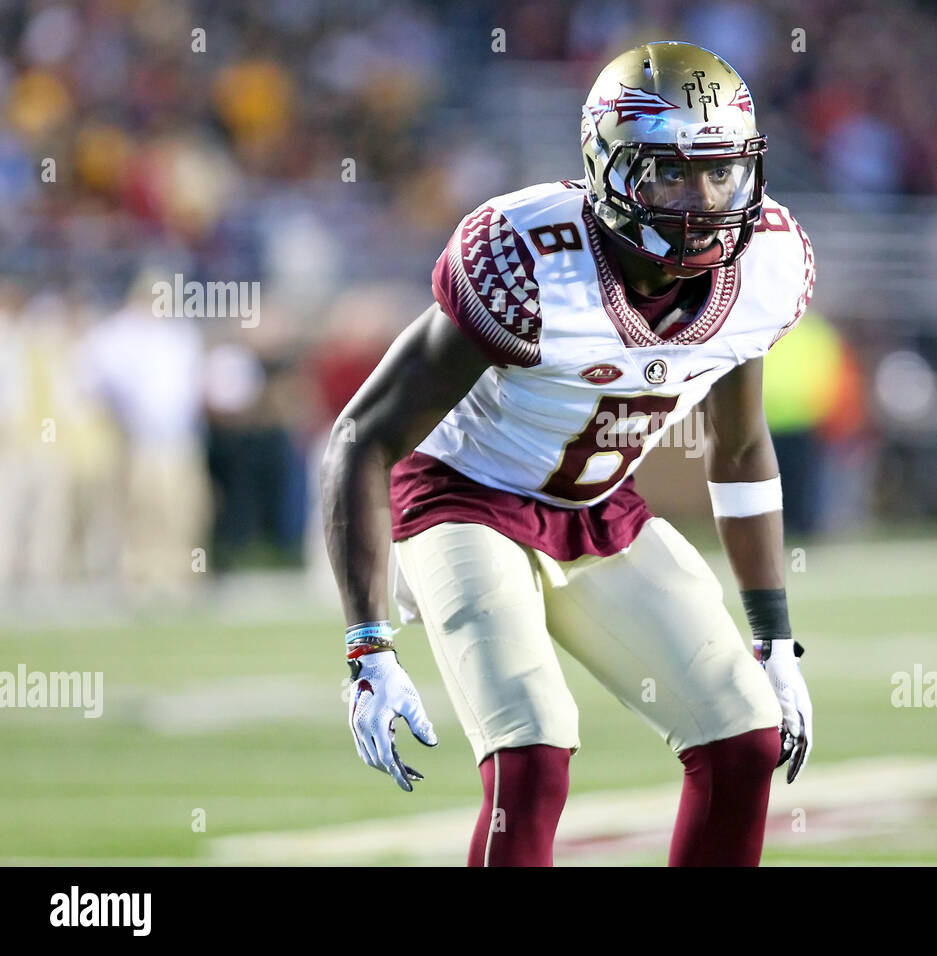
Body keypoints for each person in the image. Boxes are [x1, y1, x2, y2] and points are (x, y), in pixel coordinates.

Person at [321, 42, 814, 867]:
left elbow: (739, 444)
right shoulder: (529, 257)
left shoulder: (765, 263)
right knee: (533, 753)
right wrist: (368, 646)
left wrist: (775, 639)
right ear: (609, 171)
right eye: (670, 174)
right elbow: (363, 437)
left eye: (720, 172)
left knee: (743, 737)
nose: (702, 200)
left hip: (597, 512)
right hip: (464, 497)